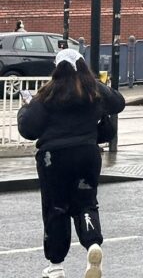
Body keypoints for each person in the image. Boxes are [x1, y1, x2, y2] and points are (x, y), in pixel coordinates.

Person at [17, 48, 126, 278]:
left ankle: (56, 265)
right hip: (87, 155)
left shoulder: (48, 93)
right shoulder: (92, 90)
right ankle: (93, 244)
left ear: (57, 69)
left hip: (54, 159)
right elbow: (118, 102)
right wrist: (98, 85)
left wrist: (26, 105)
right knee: (87, 203)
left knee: (56, 208)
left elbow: (28, 128)